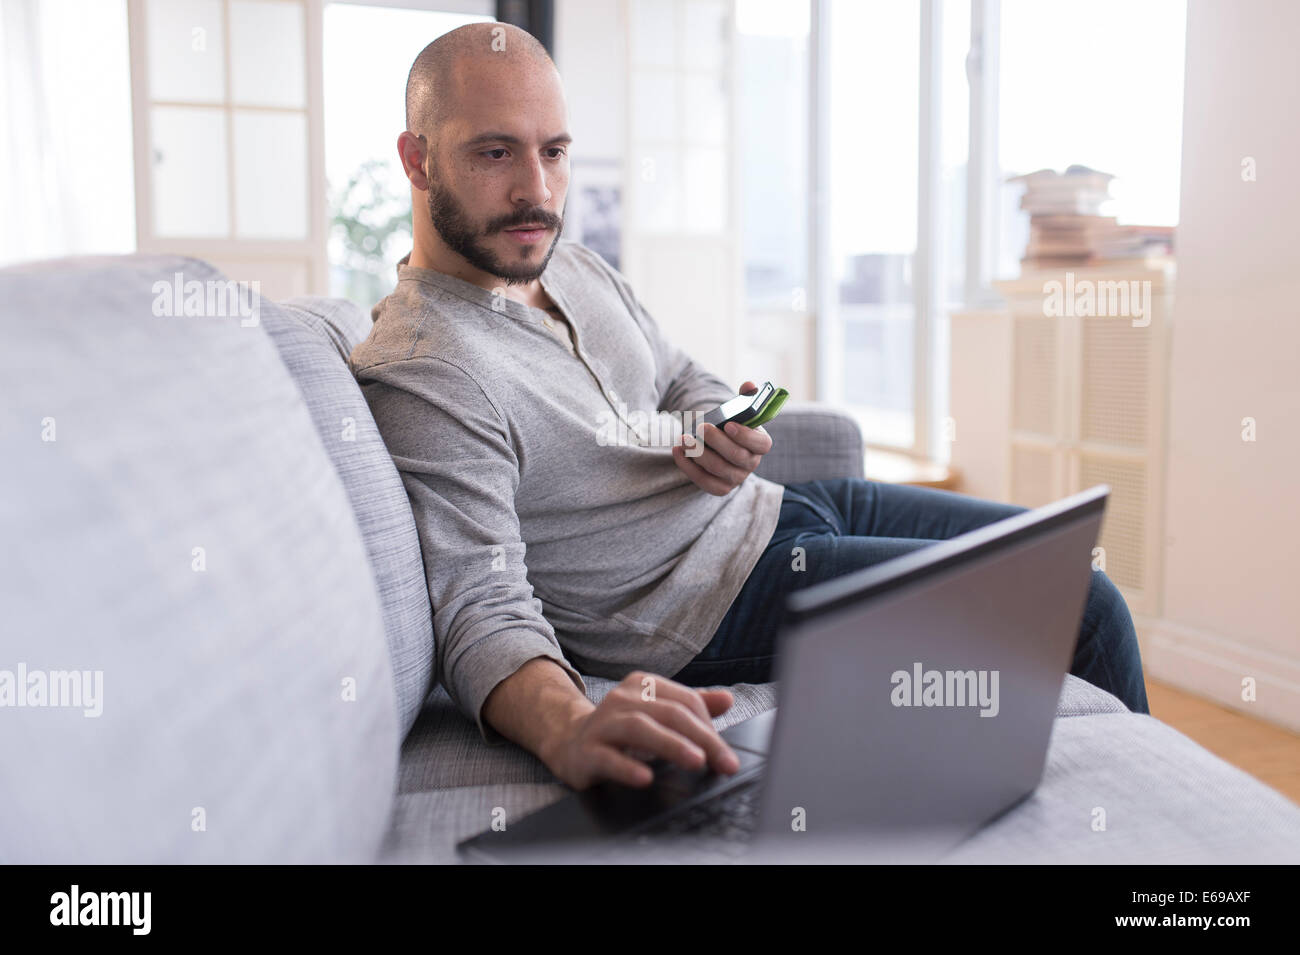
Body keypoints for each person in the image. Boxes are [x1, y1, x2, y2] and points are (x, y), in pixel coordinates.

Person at [350, 22, 1150, 794]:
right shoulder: (428, 369)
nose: (538, 190)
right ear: (416, 160)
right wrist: (567, 723)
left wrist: (713, 421)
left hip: (783, 509)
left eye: (554, 151)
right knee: (1082, 602)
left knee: (1056, 549)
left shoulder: (573, 264)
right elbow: (479, 602)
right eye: (495, 153)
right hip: (717, 606)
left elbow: (678, 374)